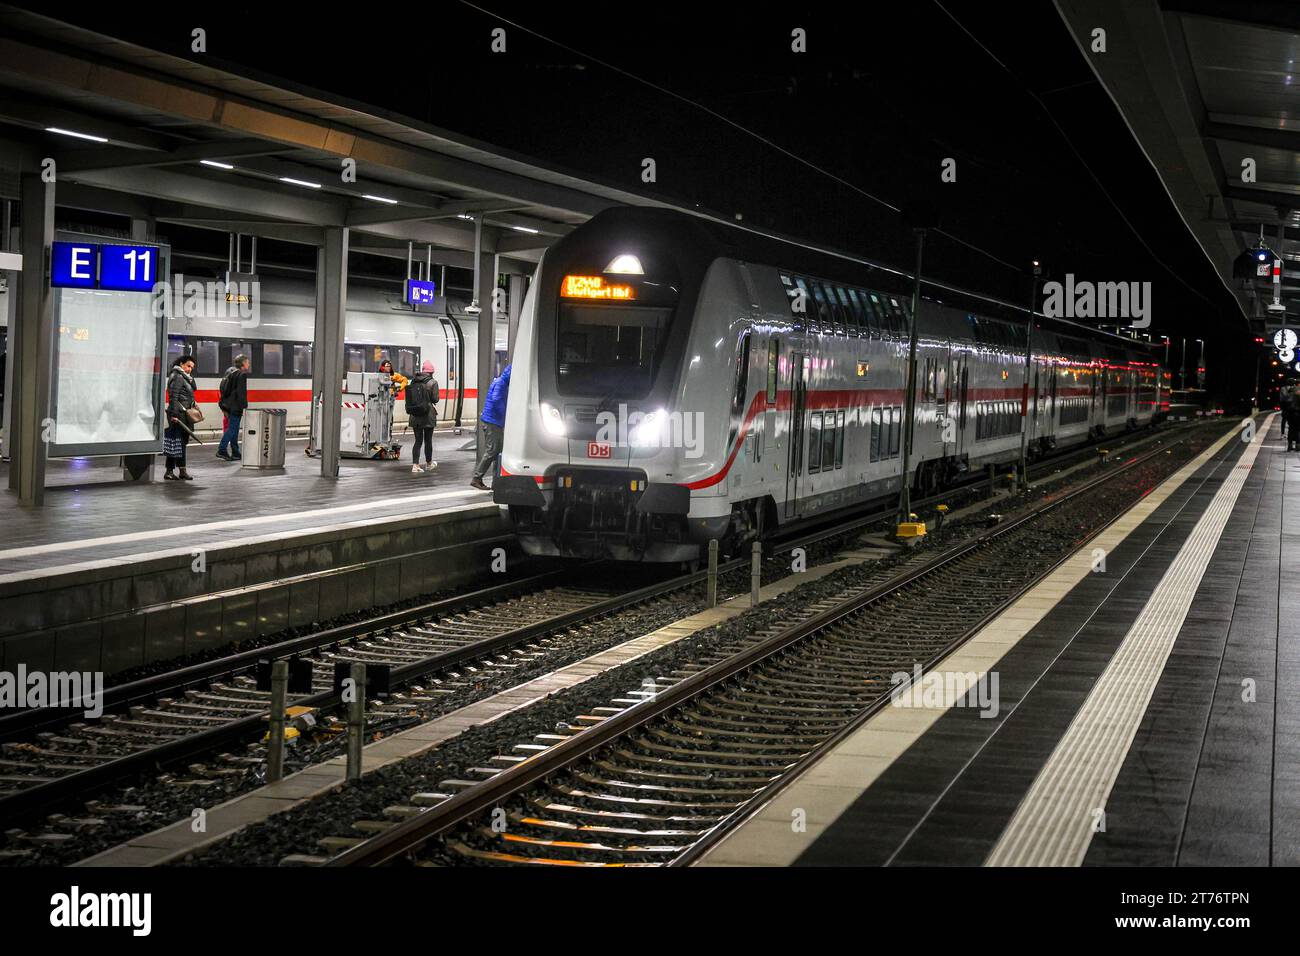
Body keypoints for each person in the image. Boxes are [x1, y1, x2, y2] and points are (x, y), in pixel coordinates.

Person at [472, 363, 511, 491]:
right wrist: (505, 415)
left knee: (498, 451)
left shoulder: (500, 381)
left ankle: (496, 482)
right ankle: (477, 478)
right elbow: (496, 400)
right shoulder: (501, 384)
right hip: (492, 422)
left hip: (493, 421)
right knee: (492, 451)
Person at [164, 355, 198, 480]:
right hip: (178, 414)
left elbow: (194, 388)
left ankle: (180, 470)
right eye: (188, 366)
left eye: (192, 367)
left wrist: (189, 376)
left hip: (183, 415)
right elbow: (173, 397)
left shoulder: (183, 376)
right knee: (177, 443)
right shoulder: (177, 376)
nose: (190, 369)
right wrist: (174, 415)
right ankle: (171, 471)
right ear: (181, 363)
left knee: (180, 443)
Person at [405, 359, 439, 474]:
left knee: (418, 440)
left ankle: (415, 465)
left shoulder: (414, 381)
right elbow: (435, 399)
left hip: (415, 415)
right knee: (428, 440)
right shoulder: (433, 382)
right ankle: (429, 464)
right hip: (427, 414)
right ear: (431, 372)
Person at [216, 353, 250, 461]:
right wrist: (244, 407)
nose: (248, 364)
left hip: (227, 405)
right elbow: (241, 393)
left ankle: (235, 452)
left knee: (234, 429)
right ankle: (221, 449)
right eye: (248, 362)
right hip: (235, 407)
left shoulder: (229, 371)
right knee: (232, 429)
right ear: (243, 363)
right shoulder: (241, 374)